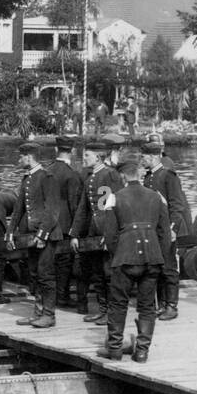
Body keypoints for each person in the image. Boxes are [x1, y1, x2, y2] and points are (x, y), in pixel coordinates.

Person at [96, 158, 172, 362]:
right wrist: (160, 256)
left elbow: (110, 235)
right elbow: (165, 233)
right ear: (138, 174)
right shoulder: (157, 197)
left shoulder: (114, 197)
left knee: (118, 304)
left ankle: (114, 350)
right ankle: (142, 352)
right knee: (147, 306)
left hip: (125, 257)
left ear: (122, 176)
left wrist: (116, 255)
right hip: (152, 257)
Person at [7, 141, 64, 328]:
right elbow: (18, 209)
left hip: (46, 235)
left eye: (21, 156)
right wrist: (9, 232)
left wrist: (42, 235)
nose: (19, 159)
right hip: (32, 236)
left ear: (29, 157)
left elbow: (53, 211)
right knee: (34, 273)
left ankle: (49, 315)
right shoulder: (27, 179)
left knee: (45, 274)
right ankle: (38, 312)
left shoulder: (47, 177)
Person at [71, 137, 124, 324]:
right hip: (93, 234)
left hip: (107, 234)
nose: (83, 159)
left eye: (87, 155)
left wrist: (111, 233)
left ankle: (111, 311)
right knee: (97, 273)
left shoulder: (111, 175)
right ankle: (102, 309)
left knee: (108, 272)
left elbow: (119, 205)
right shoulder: (89, 179)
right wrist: (75, 234)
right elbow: (82, 209)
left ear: (98, 158)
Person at [143, 141, 191, 320]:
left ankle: (172, 306)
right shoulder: (148, 177)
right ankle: (162, 304)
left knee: (169, 267)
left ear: (154, 157)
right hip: (152, 230)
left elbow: (177, 204)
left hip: (166, 230)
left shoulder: (168, 176)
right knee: (156, 267)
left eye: (144, 157)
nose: (142, 160)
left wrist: (173, 228)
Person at [48, 137, 84, 309]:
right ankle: (62, 297)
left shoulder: (47, 170)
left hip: (46, 224)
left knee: (49, 261)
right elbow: (74, 204)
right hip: (64, 224)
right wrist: (76, 229)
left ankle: (50, 296)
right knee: (64, 262)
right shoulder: (72, 174)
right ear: (72, 152)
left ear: (56, 150)